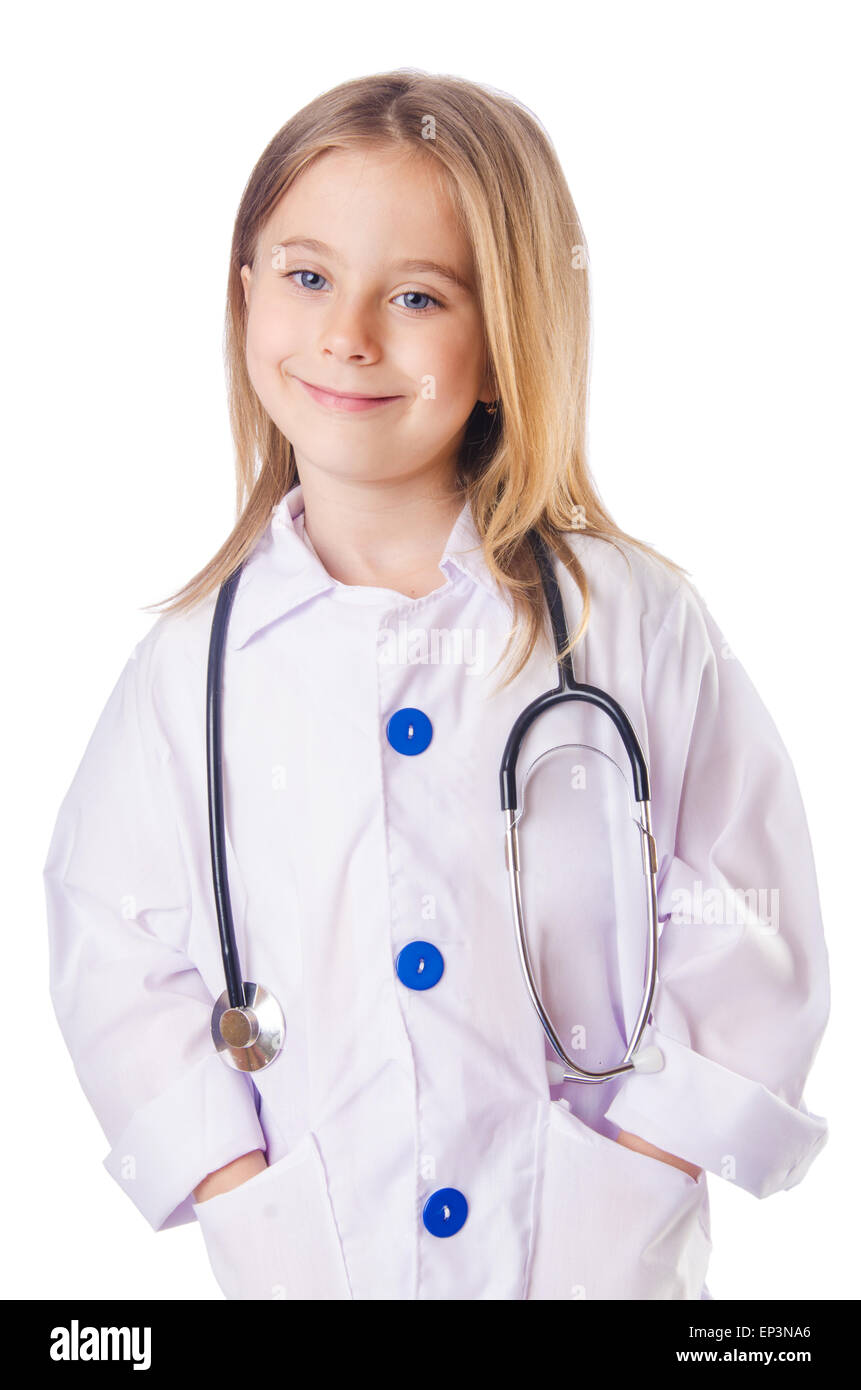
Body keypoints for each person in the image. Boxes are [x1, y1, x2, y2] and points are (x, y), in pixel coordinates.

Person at [42, 69, 830, 1301]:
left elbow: (750, 905)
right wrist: (235, 1186)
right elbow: (111, 941)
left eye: (417, 295)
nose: (349, 332)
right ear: (245, 291)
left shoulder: (632, 623)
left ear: (510, 339)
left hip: (589, 1268)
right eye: (306, 276)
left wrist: (639, 1165)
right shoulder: (191, 665)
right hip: (320, 1257)